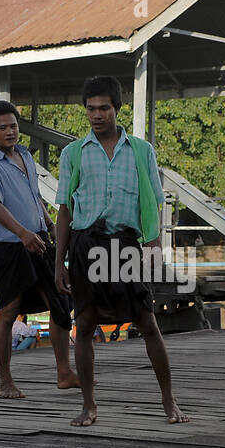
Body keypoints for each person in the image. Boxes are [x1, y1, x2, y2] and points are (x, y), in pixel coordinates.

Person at [54, 75, 188, 427]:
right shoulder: (73, 154)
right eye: (91, 109)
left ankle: (168, 399)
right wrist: (60, 262)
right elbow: (64, 211)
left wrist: (154, 245)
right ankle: (88, 405)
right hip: (86, 244)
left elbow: (153, 203)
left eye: (104, 108)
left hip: (127, 244)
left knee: (147, 321)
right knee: (83, 323)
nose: (97, 115)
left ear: (117, 109)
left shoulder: (141, 151)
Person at [0, 100, 77, 397]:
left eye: (14, 126)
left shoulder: (25, 156)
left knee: (60, 304)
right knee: (8, 311)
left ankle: (64, 373)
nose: (10, 132)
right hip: (9, 247)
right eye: (2, 128)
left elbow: (34, 196)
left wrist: (49, 226)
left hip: (39, 241)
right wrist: (22, 234)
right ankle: (5, 381)